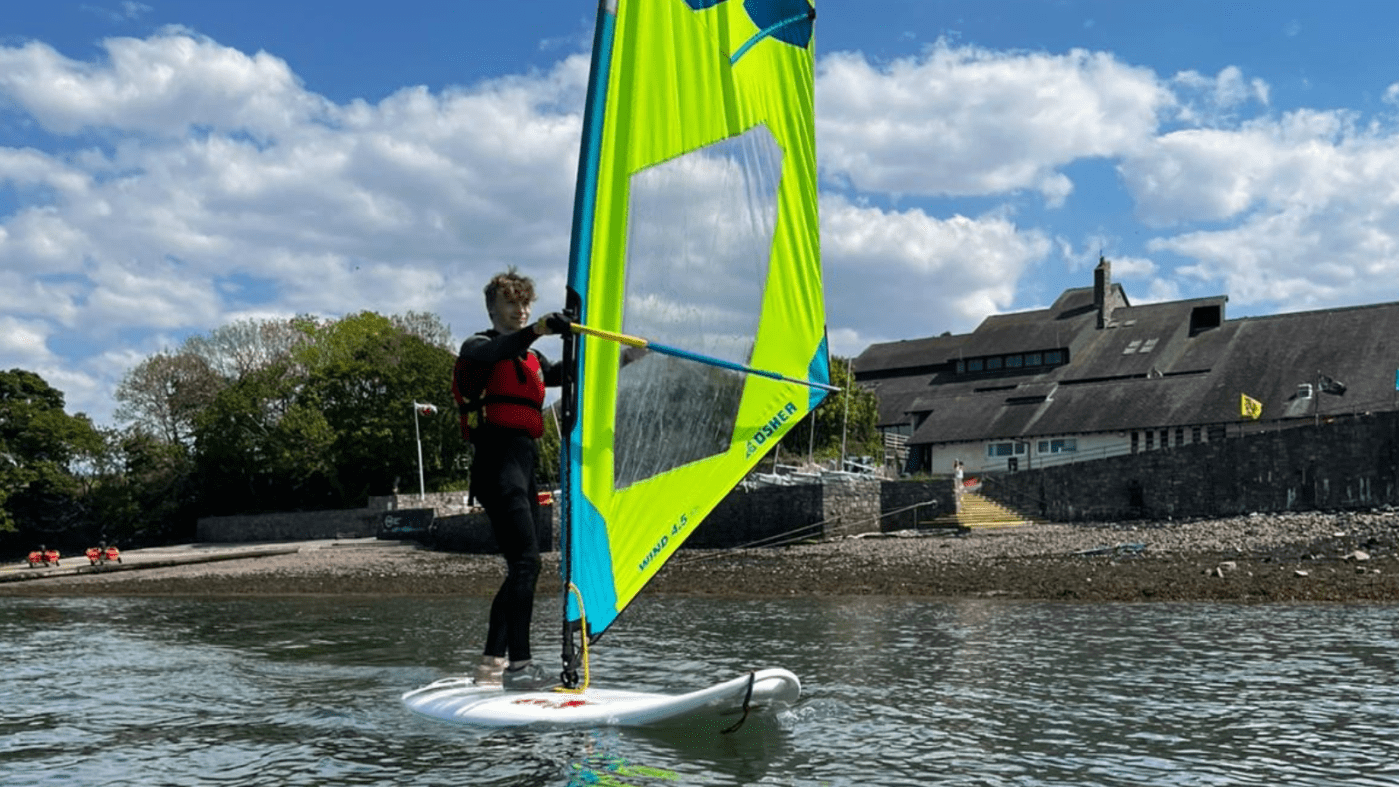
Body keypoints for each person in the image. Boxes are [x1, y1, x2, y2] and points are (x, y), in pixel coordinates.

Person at [453, 268, 571, 691]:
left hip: (526, 466)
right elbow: (501, 350)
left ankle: (490, 665)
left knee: (524, 567)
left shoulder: (533, 361)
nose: (520, 310)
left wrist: (624, 357)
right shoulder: (477, 348)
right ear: (492, 307)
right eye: (511, 303)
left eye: (526, 305)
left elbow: (570, 373)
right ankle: (519, 668)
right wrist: (540, 329)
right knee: (526, 563)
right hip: (495, 464)